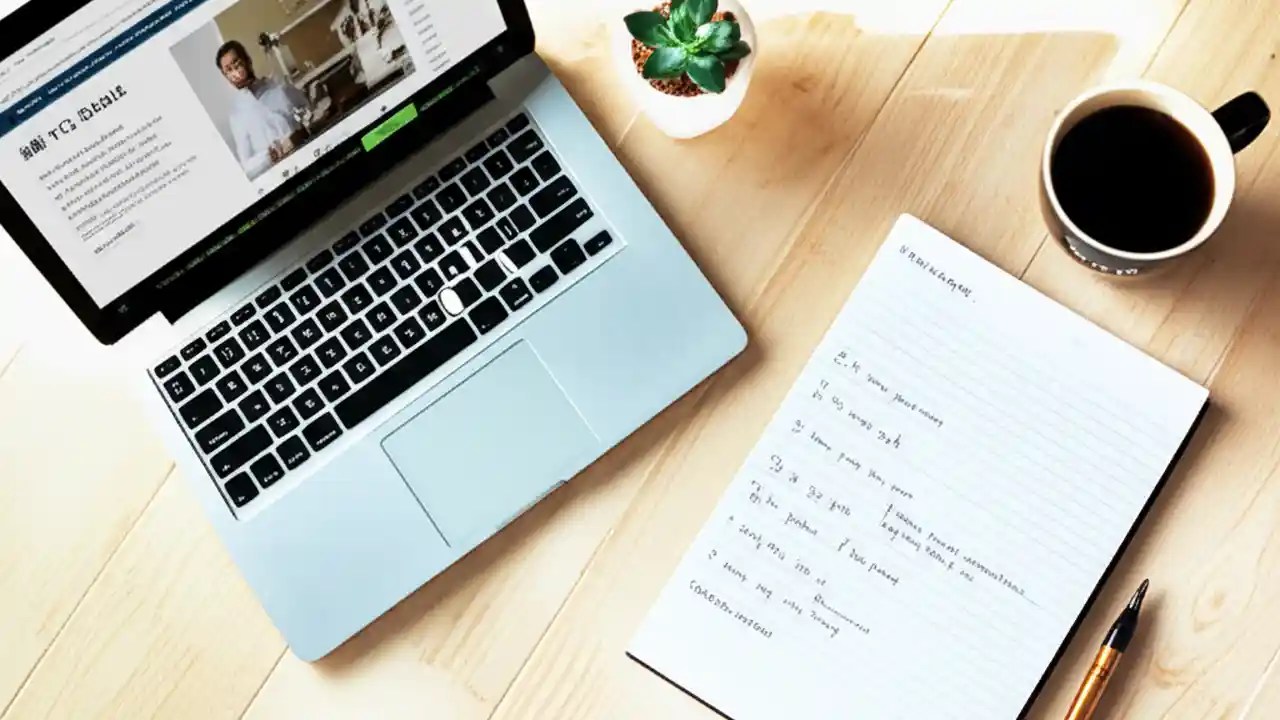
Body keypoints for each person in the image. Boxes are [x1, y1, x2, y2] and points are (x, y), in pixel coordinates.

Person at [216, 40, 311, 179]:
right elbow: (247, 167)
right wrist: (270, 155)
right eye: (228, 70)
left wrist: (304, 128)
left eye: (237, 63)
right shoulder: (237, 116)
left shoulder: (279, 86)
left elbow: (310, 110)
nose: (235, 72)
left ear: (247, 60)